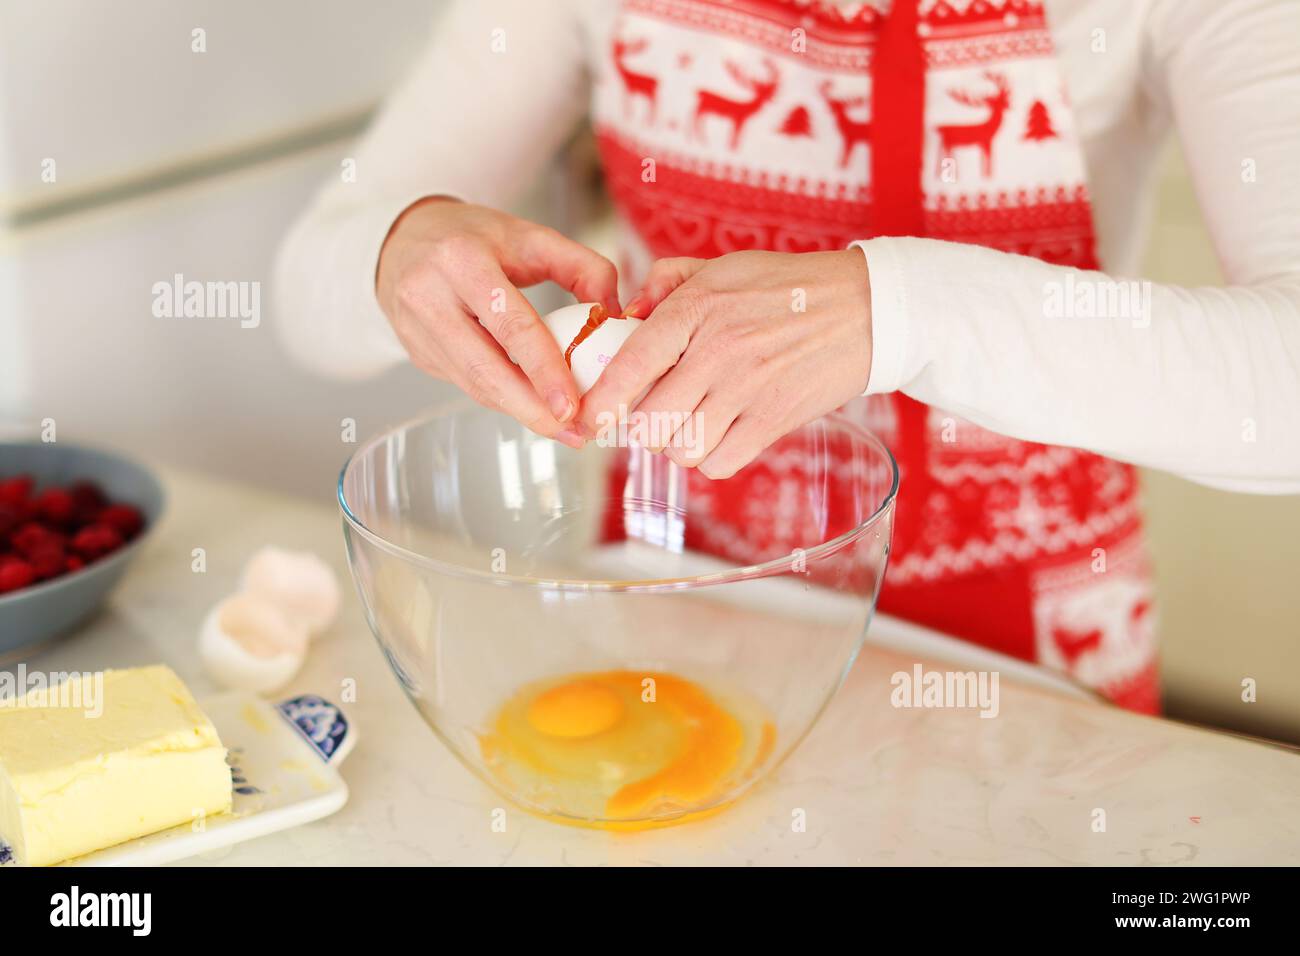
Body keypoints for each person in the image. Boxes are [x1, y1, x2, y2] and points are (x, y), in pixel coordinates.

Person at [276, 0, 1300, 713]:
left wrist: (894, 308)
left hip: (1029, 655)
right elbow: (304, 293)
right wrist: (394, 251)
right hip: (684, 629)